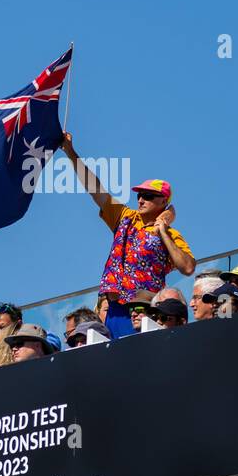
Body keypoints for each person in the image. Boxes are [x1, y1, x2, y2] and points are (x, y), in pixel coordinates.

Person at [62, 133, 195, 339]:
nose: (141, 199)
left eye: (148, 196)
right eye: (139, 195)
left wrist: (162, 230)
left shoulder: (170, 234)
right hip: (115, 309)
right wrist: (71, 153)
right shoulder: (125, 217)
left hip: (144, 309)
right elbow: (95, 188)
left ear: (163, 202)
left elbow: (187, 267)